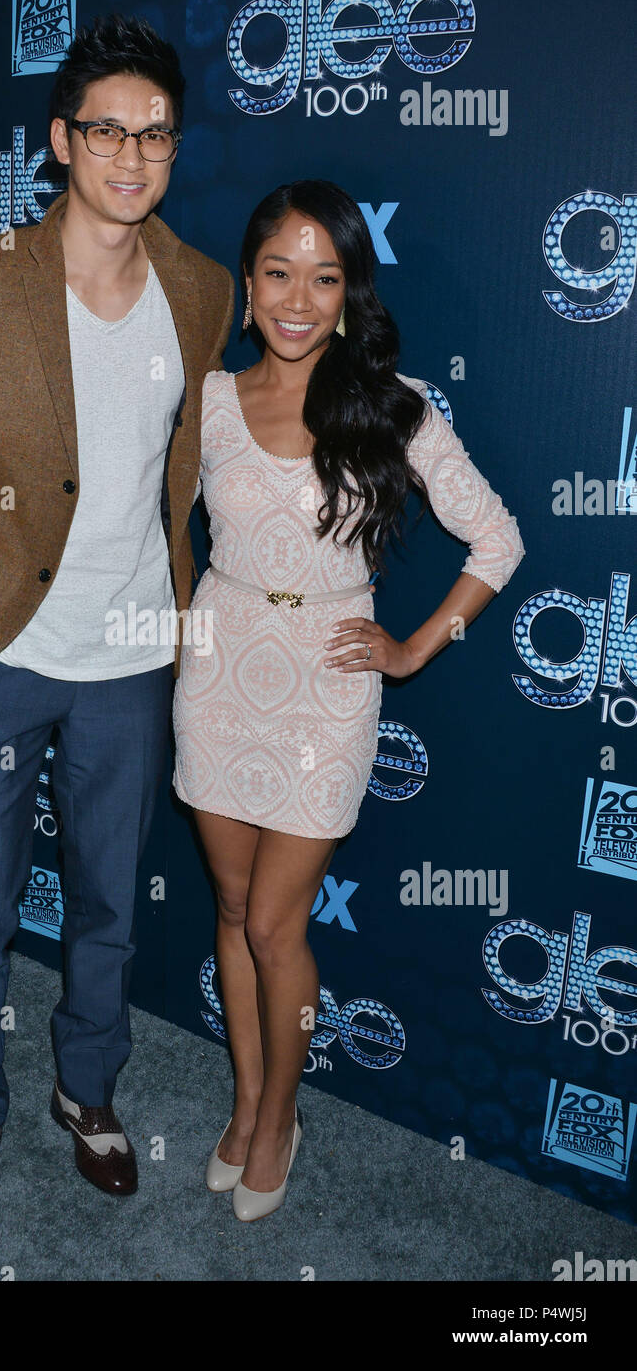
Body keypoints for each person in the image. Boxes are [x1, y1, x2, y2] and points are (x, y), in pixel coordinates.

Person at [0, 13, 233, 1234]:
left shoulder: (201, 290)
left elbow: (182, 463)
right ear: (59, 141)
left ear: (174, 149)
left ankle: (88, 1090)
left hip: (131, 656)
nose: (132, 155)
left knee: (107, 904)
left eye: (155, 134)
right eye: (107, 130)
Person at [172, 179, 525, 1221]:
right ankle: (244, 1102)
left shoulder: (393, 405)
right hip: (219, 676)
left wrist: (413, 649)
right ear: (246, 288)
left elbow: (498, 538)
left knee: (275, 925)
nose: (297, 298)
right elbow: (157, 528)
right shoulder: (208, 400)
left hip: (326, 689)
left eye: (322, 278)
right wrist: (177, 632)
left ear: (348, 293)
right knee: (230, 909)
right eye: (277, 273)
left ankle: (281, 1116)